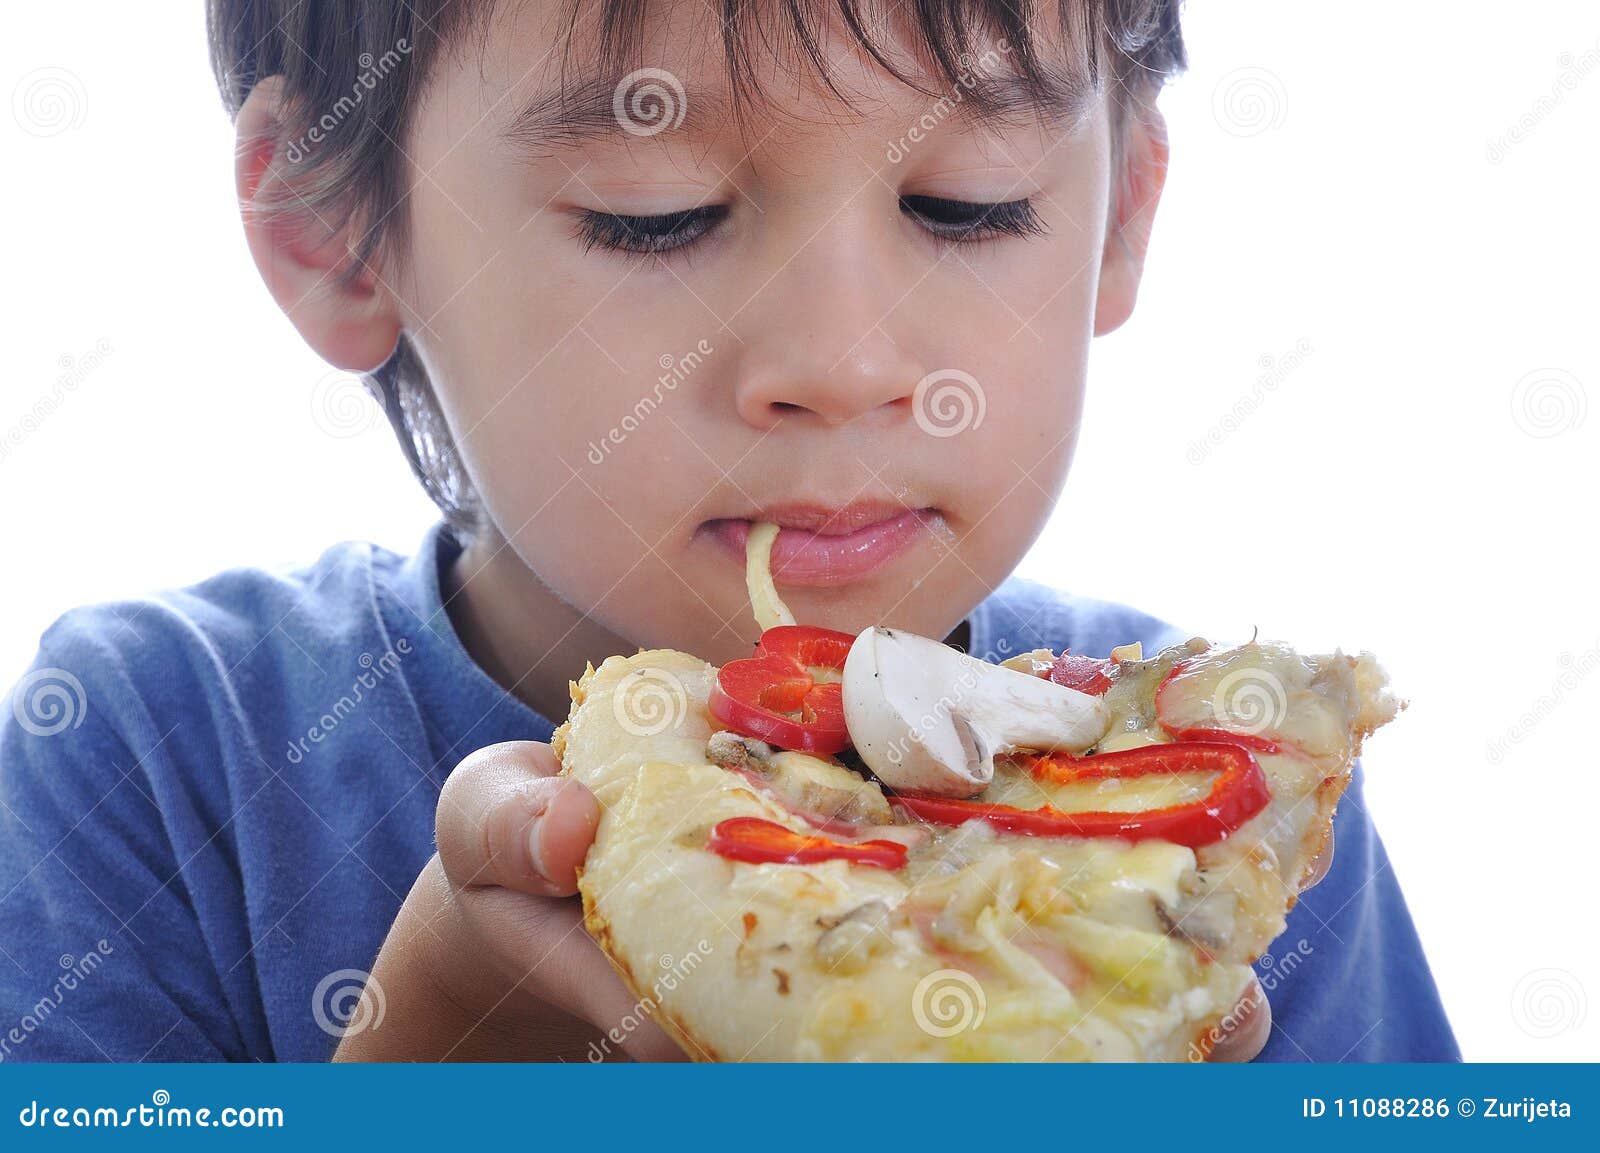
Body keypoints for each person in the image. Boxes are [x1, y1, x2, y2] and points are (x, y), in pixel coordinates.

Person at [0, 0, 1457, 1062]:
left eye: (969, 204)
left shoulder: (1211, 801)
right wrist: (441, 1038)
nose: (841, 361)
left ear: (1122, 214)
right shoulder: (148, 752)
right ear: (335, 228)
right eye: (658, 214)